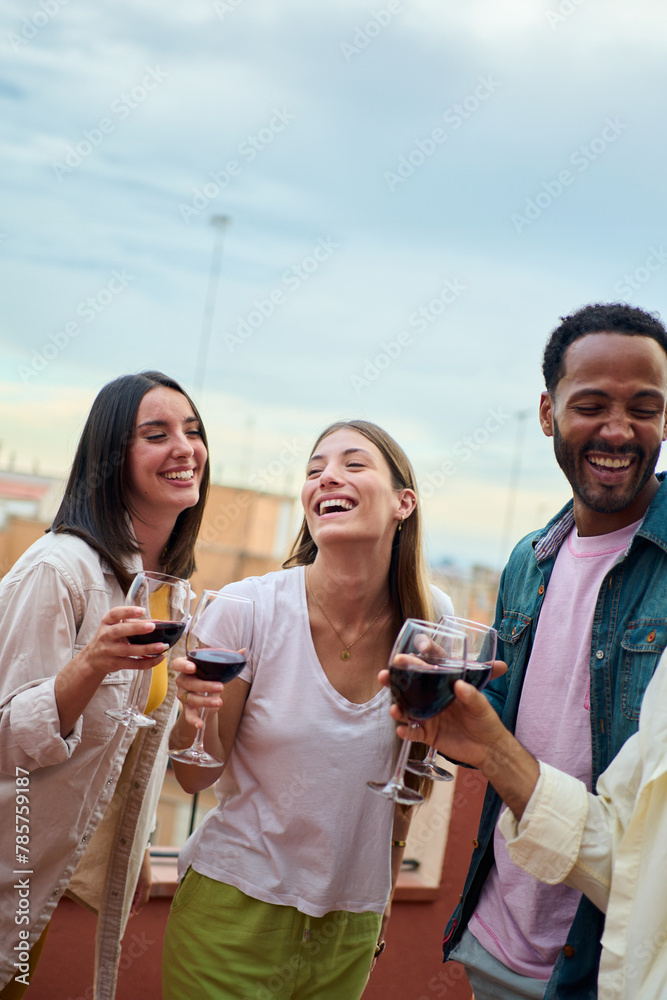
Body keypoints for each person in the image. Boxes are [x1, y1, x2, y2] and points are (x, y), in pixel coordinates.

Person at [163, 419, 454, 1000]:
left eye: (353, 464)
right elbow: (195, 776)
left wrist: (383, 901)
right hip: (230, 910)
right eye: (315, 469)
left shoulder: (429, 619)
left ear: (405, 502)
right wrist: (193, 713)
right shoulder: (248, 609)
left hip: (349, 926)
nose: (327, 478)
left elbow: (408, 783)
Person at [440, 303, 667, 999]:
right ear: (547, 413)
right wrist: (443, 715)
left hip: (611, 966)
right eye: (590, 405)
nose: (617, 430)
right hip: (497, 935)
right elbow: (497, 728)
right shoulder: (526, 560)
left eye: (644, 408)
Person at [0, 371, 209, 1000]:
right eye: (157, 434)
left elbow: (130, 739)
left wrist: (133, 835)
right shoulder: (56, 569)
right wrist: (88, 665)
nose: (185, 448)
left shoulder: (167, 588)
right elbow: (8, 735)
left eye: (193, 432)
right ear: (111, 459)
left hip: (38, 870)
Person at [387, 644, 667, 1000]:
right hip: (491, 946)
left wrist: (494, 751)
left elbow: (635, 853)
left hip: (597, 969)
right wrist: (464, 708)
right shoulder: (523, 583)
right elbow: (505, 703)